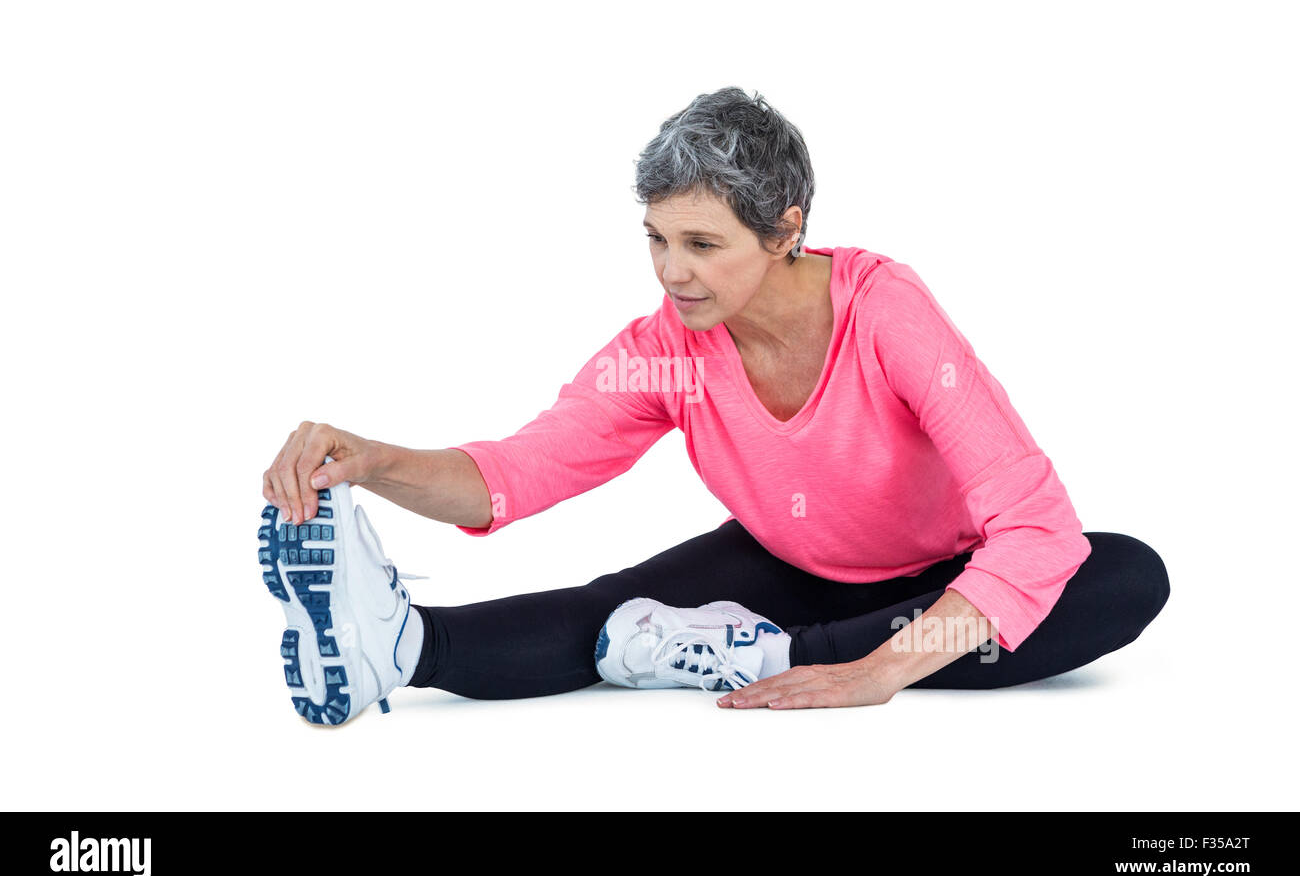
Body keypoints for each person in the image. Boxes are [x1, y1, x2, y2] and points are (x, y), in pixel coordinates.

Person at [258, 86, 1170, 726]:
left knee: (1121, 576)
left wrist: (877, 672)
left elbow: (1039, 530)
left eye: (701, 242)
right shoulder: (667, 352)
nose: (670, 271)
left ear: (785, 229)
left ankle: (774, 652)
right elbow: (510, 476)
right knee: (615, 612)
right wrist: (372, 461)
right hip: (789, 563)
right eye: (655, 238)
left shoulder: (886, 311)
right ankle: (400, 648)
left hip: (945, 576)